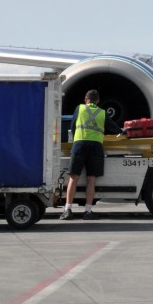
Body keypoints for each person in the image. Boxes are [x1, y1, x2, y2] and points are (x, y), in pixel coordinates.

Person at [61, 89, 107, 220]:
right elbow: (113, 127)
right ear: (98, 101)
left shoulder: (79, 109)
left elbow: (73, 126)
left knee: (73, 178)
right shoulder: (102, 113)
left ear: (85, 99)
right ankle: (88, 211)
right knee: (91, 180)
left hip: (79, 146)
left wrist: (77, 139)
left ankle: (68, 210)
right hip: (96, 148)